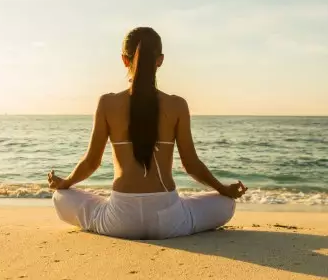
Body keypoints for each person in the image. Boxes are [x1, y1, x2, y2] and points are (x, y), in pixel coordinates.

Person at [48, 27, 247, 240]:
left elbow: (91, 163)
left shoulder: (107, 103)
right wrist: (222, 189)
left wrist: (65, 183)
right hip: (170, 220)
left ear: (124, 60)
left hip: (120, 221)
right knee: (226, 204)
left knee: (61, 197)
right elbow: (191, 165)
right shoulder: (177, 105)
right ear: (160, 60)